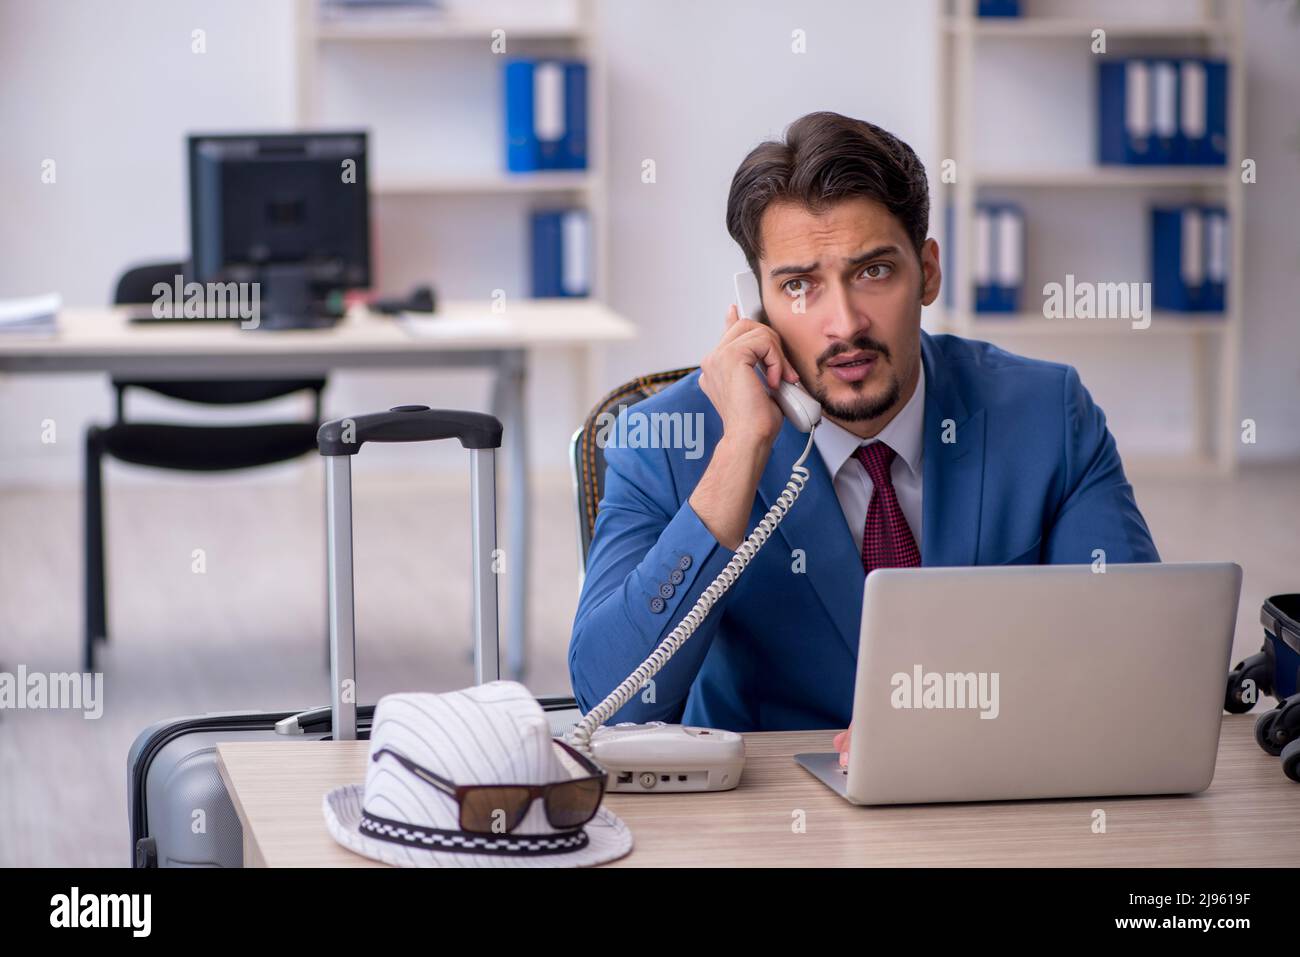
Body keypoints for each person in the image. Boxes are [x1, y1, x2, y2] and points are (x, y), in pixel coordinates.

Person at [568, 111, 1159, 764]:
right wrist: (739, 451)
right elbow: (611, 706)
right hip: (769, 828)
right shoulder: (665, 441)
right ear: (757, 303)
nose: (843, 323)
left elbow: (1133, 666)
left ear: (927, 272)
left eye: (874, 272)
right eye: (799, 286)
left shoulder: (1049, 414)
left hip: (997, 794)